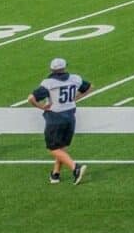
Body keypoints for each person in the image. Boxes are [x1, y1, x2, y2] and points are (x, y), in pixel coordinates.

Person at [28, 57, 90, 185]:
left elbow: (31, 98)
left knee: (53, 148)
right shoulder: (75, 78)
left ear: (52, 69)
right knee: (61, 148)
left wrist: (41, 107)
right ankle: (55, 174)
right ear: (65, 67)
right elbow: (89, 87)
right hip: (70, 116)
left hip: (55, 117)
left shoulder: (49, 83)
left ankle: (75, 168)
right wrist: (75, 98)